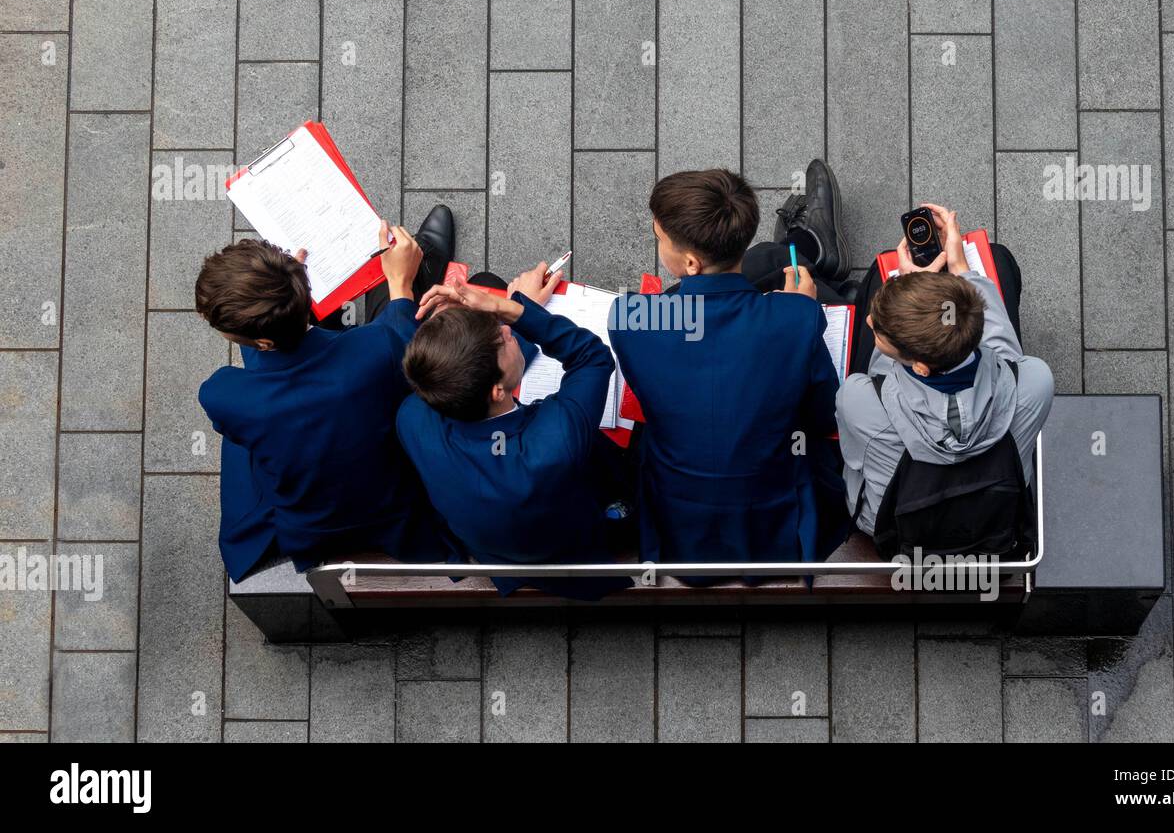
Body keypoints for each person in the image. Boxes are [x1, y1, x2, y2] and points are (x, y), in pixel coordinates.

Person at [608, 168, 853, 577]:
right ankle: (806, 249)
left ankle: (808, 246)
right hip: (773, 529)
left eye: (660, 238)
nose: (659, 242)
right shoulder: (795, 318)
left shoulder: (633, 318)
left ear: (689, 261)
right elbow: (823, 414)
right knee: (770, 261)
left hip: (681, 531)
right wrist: (803, 310)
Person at [195, 206, 459, 581]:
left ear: (263, 342)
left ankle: (302, 326)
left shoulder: (221, 394)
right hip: (394, 503)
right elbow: (403, 340)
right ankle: (419, 276)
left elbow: (260, 356)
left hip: (312, 526)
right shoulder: (379, 347)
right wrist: (401, 286)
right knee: (394, 319)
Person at [397, 263, 631, 599]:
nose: (507, 330)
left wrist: (464, 334)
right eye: (501, 338)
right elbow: (591, 356)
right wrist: (514, 308)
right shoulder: (554, 442)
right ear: (496, 391)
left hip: (500, 546)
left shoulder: (413, 417)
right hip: (574, 545)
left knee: (486, 283)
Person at [834, 202, 1053, 558]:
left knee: (879, 271)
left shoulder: (858, 398)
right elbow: (1003, 355)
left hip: (894, 531)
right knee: (999, 259)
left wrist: (902, 284)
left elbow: (879, 388)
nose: (871, 324)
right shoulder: (1035, 382)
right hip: (996, 524)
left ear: (920, 366)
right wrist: (961, 271)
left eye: (880, 330)